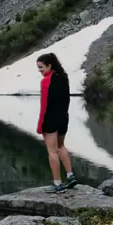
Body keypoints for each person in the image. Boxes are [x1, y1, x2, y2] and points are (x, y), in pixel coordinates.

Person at [35, 52, 76, 192]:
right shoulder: (64, 77)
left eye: (41, 67)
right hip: (64, 117)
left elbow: (44, 105)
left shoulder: (46, 81)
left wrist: (40, 126)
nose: (39, 71)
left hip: (50, 119)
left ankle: (58, 184)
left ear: (49, 65)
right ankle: (70, 176)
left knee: (52, 152)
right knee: (61, 145)